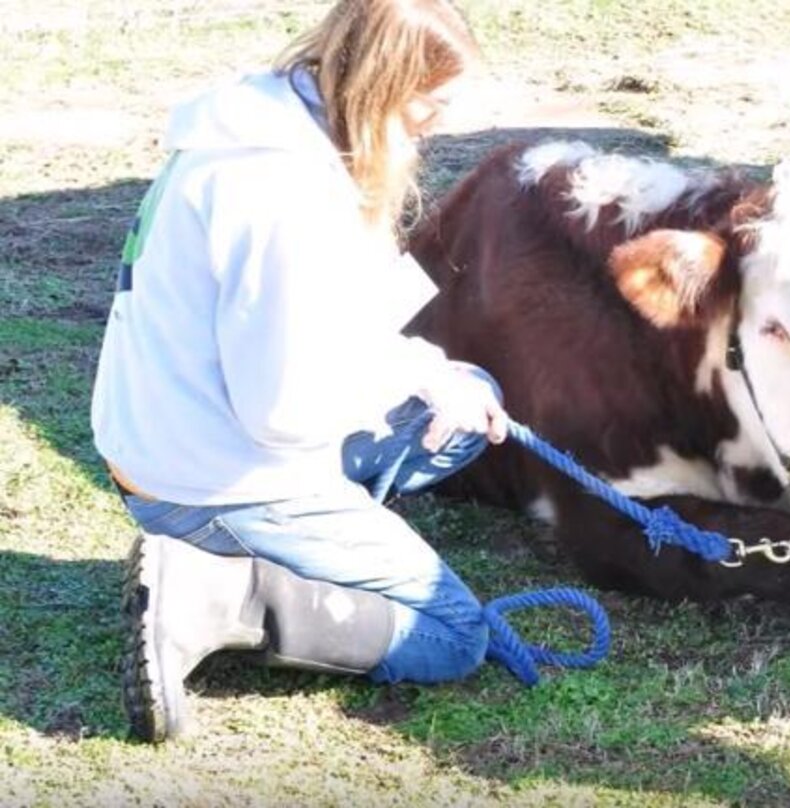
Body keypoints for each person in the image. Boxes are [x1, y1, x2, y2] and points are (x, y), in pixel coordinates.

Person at [91, 0, 509, 743]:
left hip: (165, 437)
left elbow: (317, 329)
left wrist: (434, 375)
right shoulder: (283, 194)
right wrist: (397, 383)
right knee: (452, 635)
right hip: (213, 477)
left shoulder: (257, 124)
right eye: (430, 103)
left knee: (460, 416)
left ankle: (287, 548)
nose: (435, 122)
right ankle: (216, 595)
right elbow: (282, 413)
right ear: (384, 83)